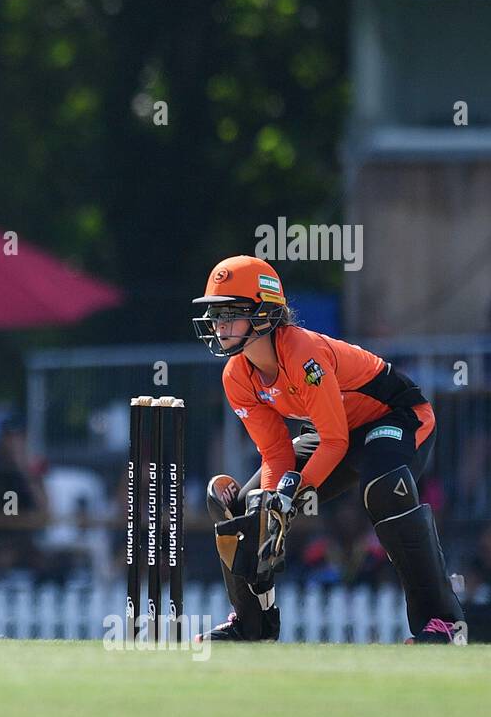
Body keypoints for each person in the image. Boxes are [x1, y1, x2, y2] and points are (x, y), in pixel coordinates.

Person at [192, 255, 465, 644]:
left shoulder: (302, 353)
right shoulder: (236, 375)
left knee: (383, 486)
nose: (219, 326)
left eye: (230, 313)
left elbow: (335, 440)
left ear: (266, 314)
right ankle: (252, 626)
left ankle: (444, 623)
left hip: (395, 417)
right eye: (215, 314)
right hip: (332, 431)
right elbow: (276, 454)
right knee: (244, 506)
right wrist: (271, 503)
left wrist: (288, 498)